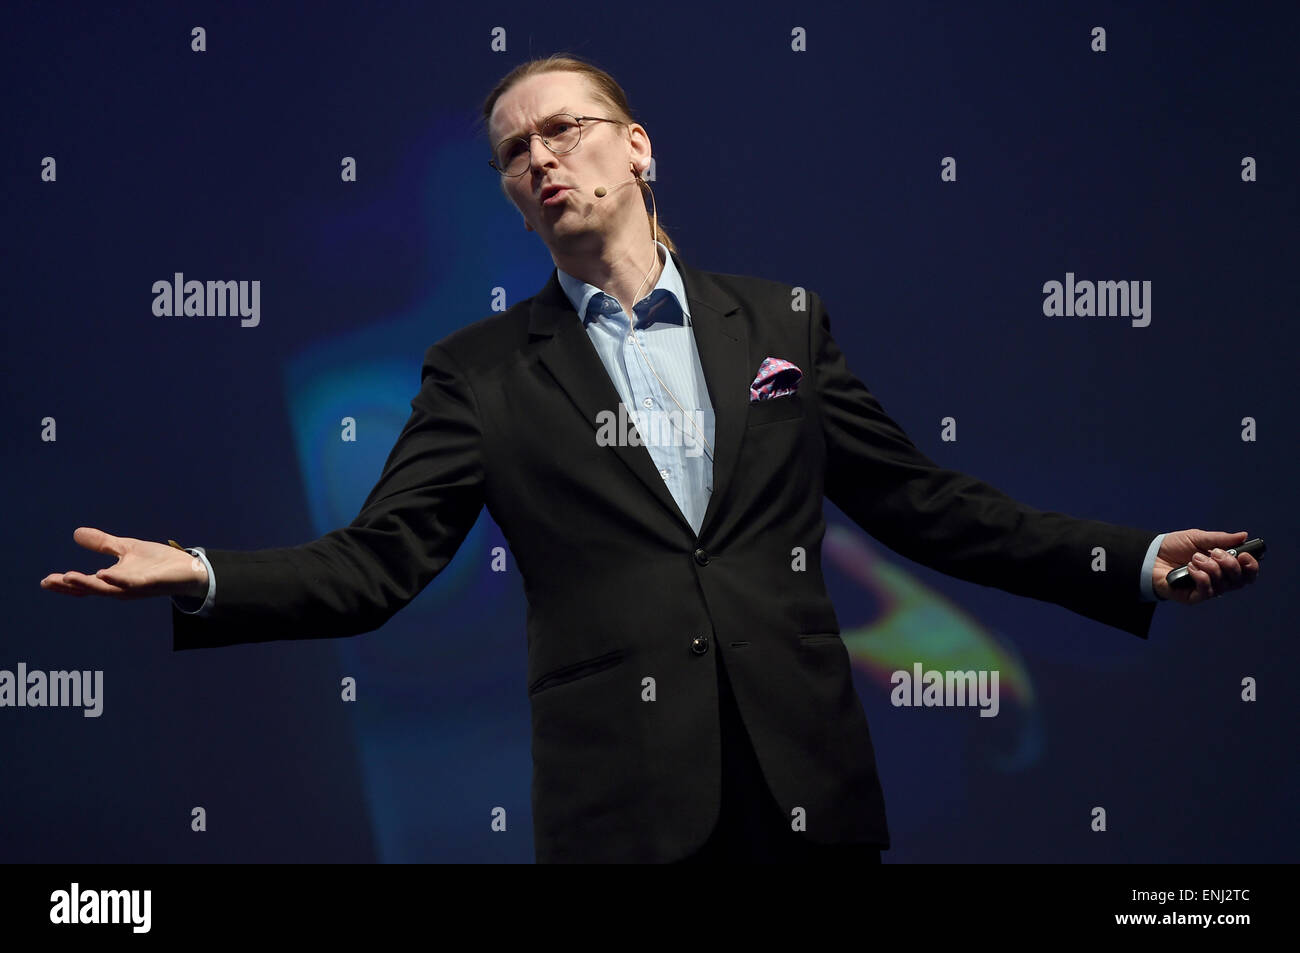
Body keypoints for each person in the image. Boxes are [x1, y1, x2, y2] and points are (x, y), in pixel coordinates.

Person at [41, 54, 1261, 864]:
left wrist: (1134, 557)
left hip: (810, 796)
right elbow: (377, 566)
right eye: (514, 154)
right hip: (623, 816)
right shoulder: (479, 372)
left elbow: (929, 505)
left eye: (562, 131)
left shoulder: (780, 323)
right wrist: (200, 572)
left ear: (636, 148)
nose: (539, 161)